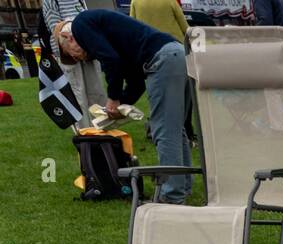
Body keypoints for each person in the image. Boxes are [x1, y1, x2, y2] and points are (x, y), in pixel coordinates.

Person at [56, 9, 189, 202]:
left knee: (164, 131)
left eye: (73, 55)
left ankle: (172, 196)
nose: (79, 60)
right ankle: (182, 187)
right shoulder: (114, 39)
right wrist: (118, 109)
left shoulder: (80, 24)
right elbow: (135, 81)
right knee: (176, 129)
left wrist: (113, 98)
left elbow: (111, 61)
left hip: (163, 60)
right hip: (176, 54)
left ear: (69, 38)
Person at [42, 0, 106, 109]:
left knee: (97, 95)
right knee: (78, 99)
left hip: (88, 53)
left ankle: (99, 126)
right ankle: (84, 127)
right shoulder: (50, 1)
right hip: (69, 58)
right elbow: (57, 31)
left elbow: (88, 21)